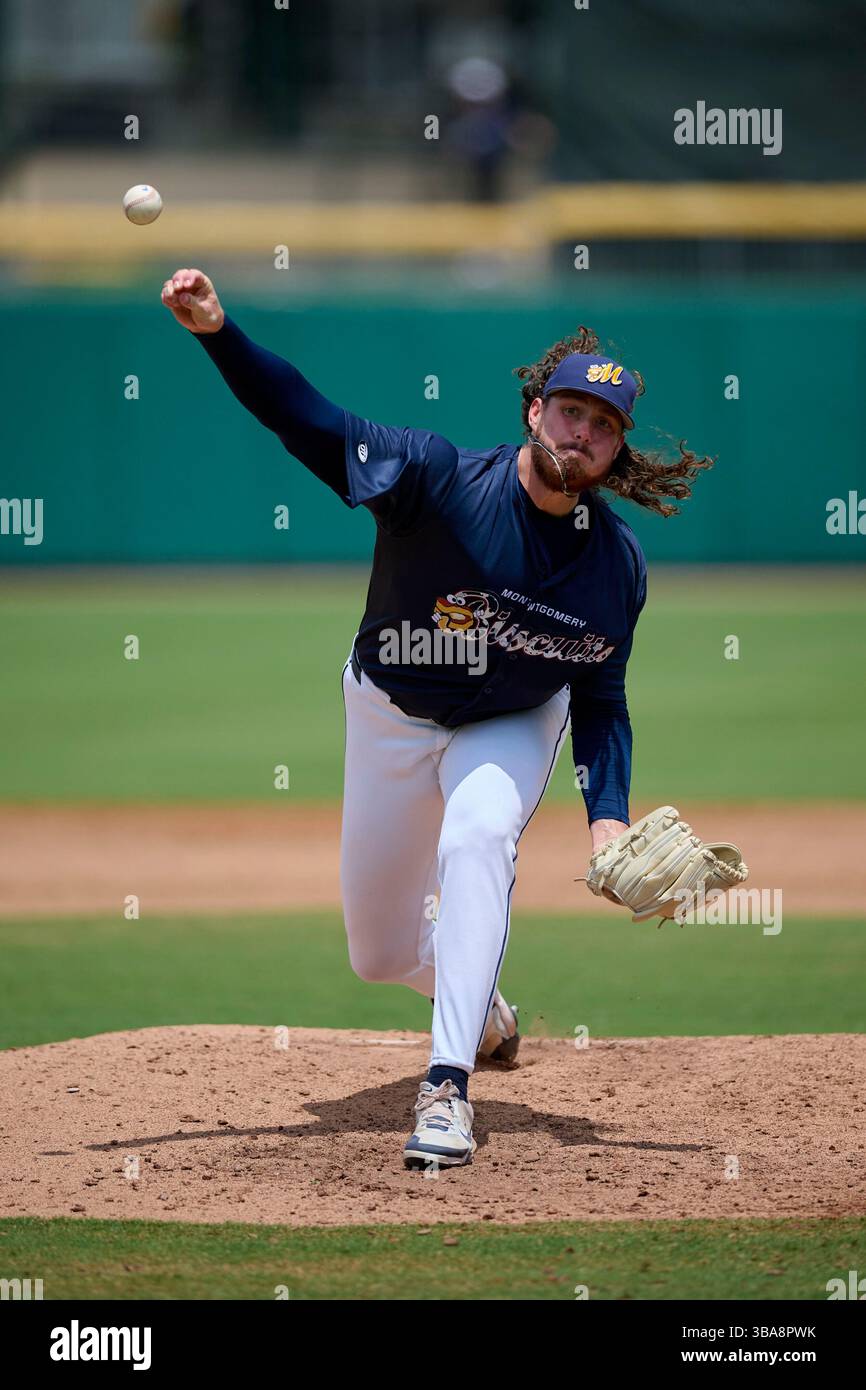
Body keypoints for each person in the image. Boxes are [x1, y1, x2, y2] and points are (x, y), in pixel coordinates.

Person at [161, 268, 712, 1170]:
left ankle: (447, 1084)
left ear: (616, 452)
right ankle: (484, 1007)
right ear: (536, 412)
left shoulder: (616, 568)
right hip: (389, 711)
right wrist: (218, 332)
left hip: (511, 720)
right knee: (378, 953)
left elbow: (602, 699)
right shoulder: (434, 477)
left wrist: (607, 817)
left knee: (478, 838)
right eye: (573, 410)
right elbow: (307, 417)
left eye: (606, 425)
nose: (586, 431)